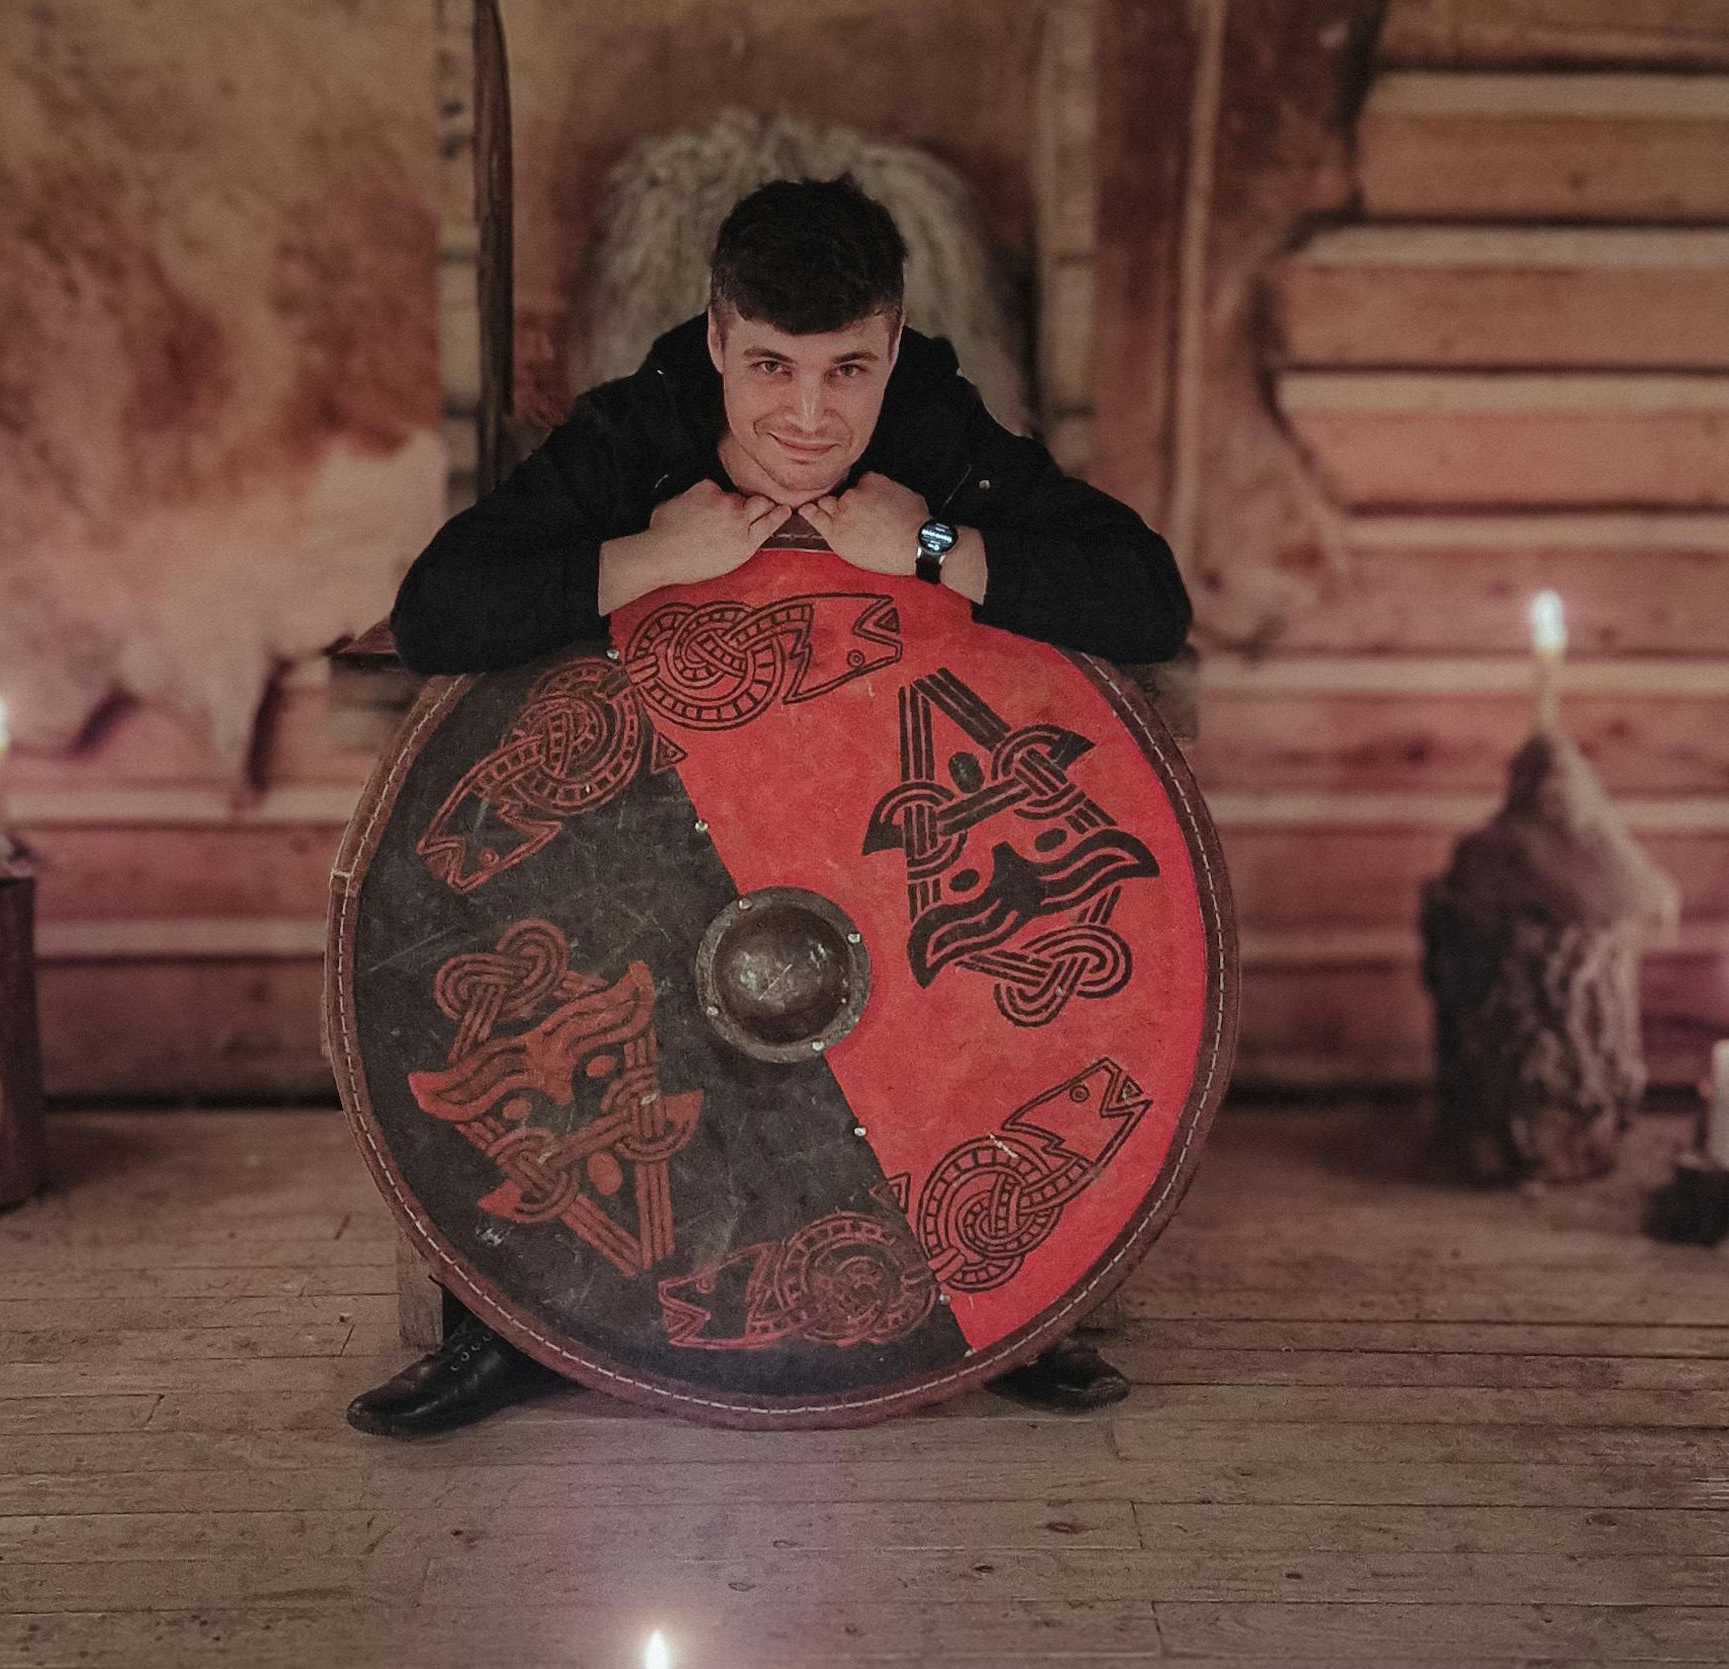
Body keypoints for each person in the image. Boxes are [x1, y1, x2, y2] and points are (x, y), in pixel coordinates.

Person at [349, 175, 1190, 1438]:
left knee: (932, 1005)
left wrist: (932, 547)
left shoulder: (934, 429)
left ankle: (1006, 1302)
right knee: (564, 998)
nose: (808, 412)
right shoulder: (642, 429)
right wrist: (654, 560)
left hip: (879, 846)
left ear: (894, 347)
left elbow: (1150, 603)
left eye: (849, 369)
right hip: (625, 851)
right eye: (770, 365)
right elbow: (434, 616)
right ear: (713, 336)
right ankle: (507, 1327)